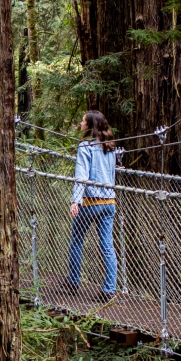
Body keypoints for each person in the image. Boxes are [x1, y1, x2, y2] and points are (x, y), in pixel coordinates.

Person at [68, 111, 119, 297]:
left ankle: (73, 283)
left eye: (83, 121)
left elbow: (81, 176)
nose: (80, 123)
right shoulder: (111, 146)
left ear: (89, 125)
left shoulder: (85, 146)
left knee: (76, 241)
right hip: (109, 202)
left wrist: (75, 201)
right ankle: (109, 289)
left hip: (90, 203)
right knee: (107, 246)